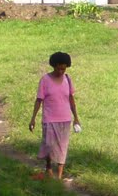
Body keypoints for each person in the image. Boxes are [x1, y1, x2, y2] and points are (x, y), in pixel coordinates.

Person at [28, 50, 80, 181]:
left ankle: (59, 175)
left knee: (62, 147)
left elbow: (71, 99)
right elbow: (39, 100)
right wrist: (33, 118)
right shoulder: (45, 80)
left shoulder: (68, 80)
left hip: (65, 118)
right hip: (49, 119)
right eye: (59, 68)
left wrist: (76, 118)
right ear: (53, 66)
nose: (61, 71)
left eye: (64, 69)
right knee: (49, 145)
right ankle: (49, 168)